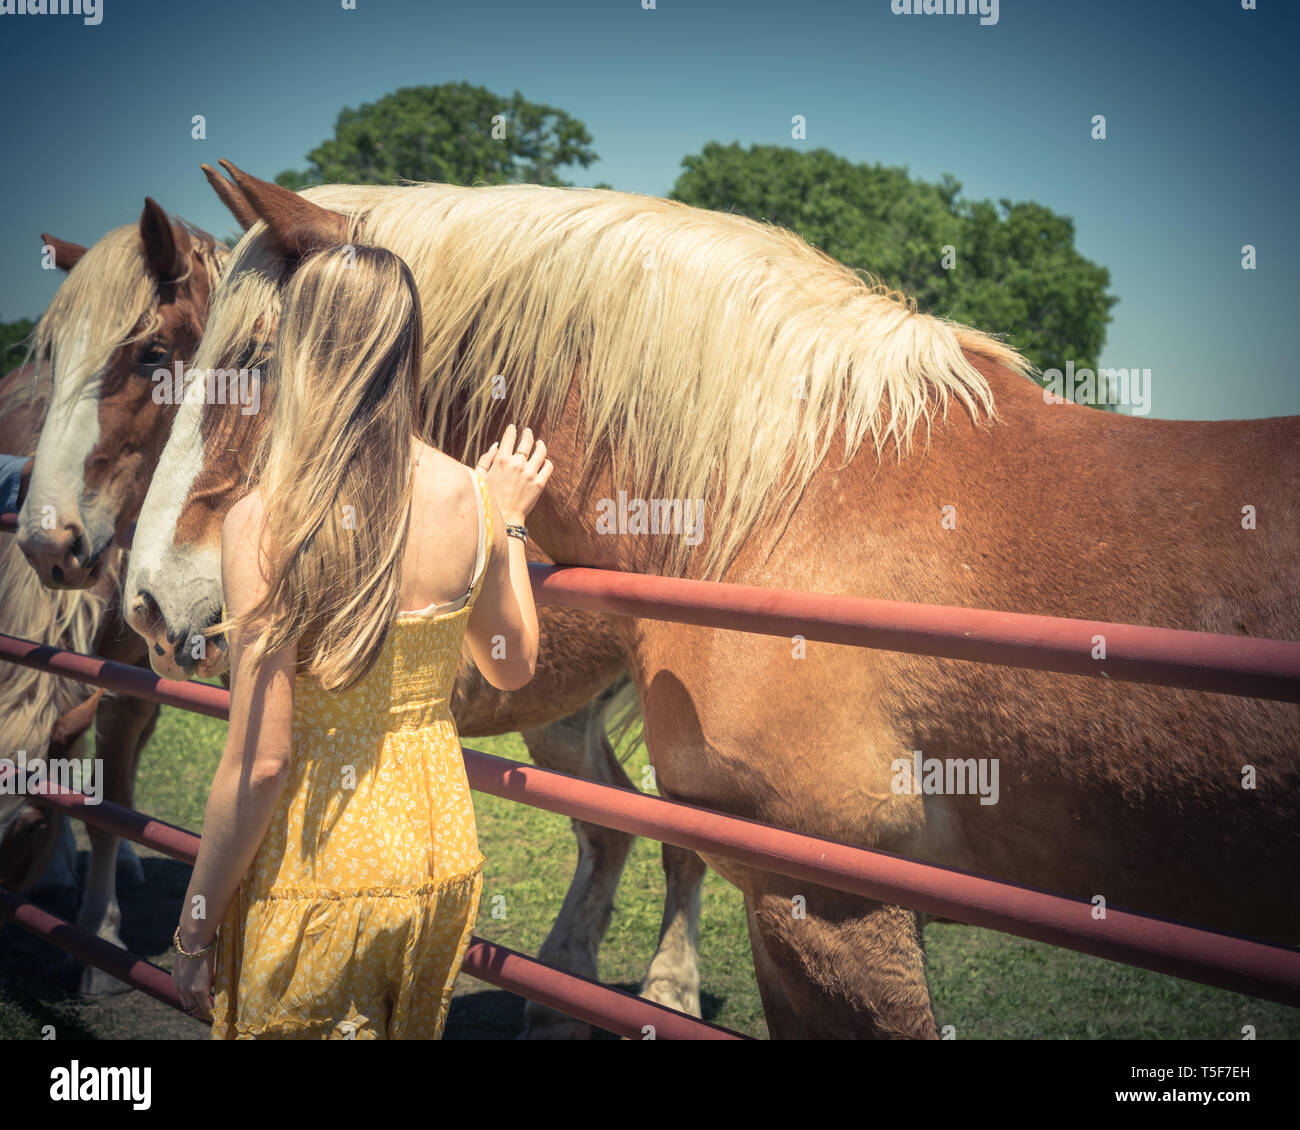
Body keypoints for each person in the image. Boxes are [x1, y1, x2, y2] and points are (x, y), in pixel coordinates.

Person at [171, 243, 550, 1038]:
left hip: (321, 868)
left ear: (299, 352)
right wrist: (509, 518)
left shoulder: (266, 523)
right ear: (407, 349)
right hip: (439, 854)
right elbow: (512, 668)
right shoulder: (468, 496)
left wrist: (194, 928)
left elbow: (262, 762)